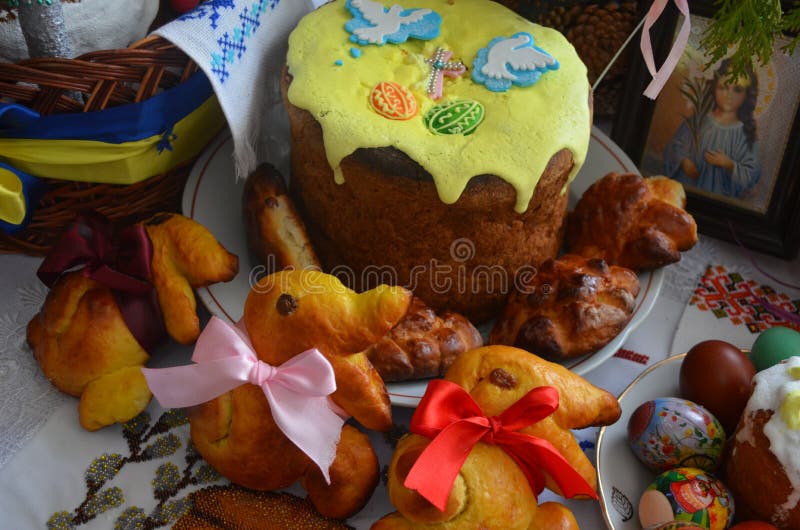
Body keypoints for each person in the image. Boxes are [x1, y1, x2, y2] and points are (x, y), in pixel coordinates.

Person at [663, 59, 761, 198]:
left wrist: (729, 164)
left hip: (717, 202)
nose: (729, 95)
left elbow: (752, 174)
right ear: (714, 88)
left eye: (737, 89)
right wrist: (684, 161)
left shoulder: (745, 134)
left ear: (747, 95)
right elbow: (675, 146)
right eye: (723, 87)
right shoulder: (699, 120)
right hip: (684, 192)